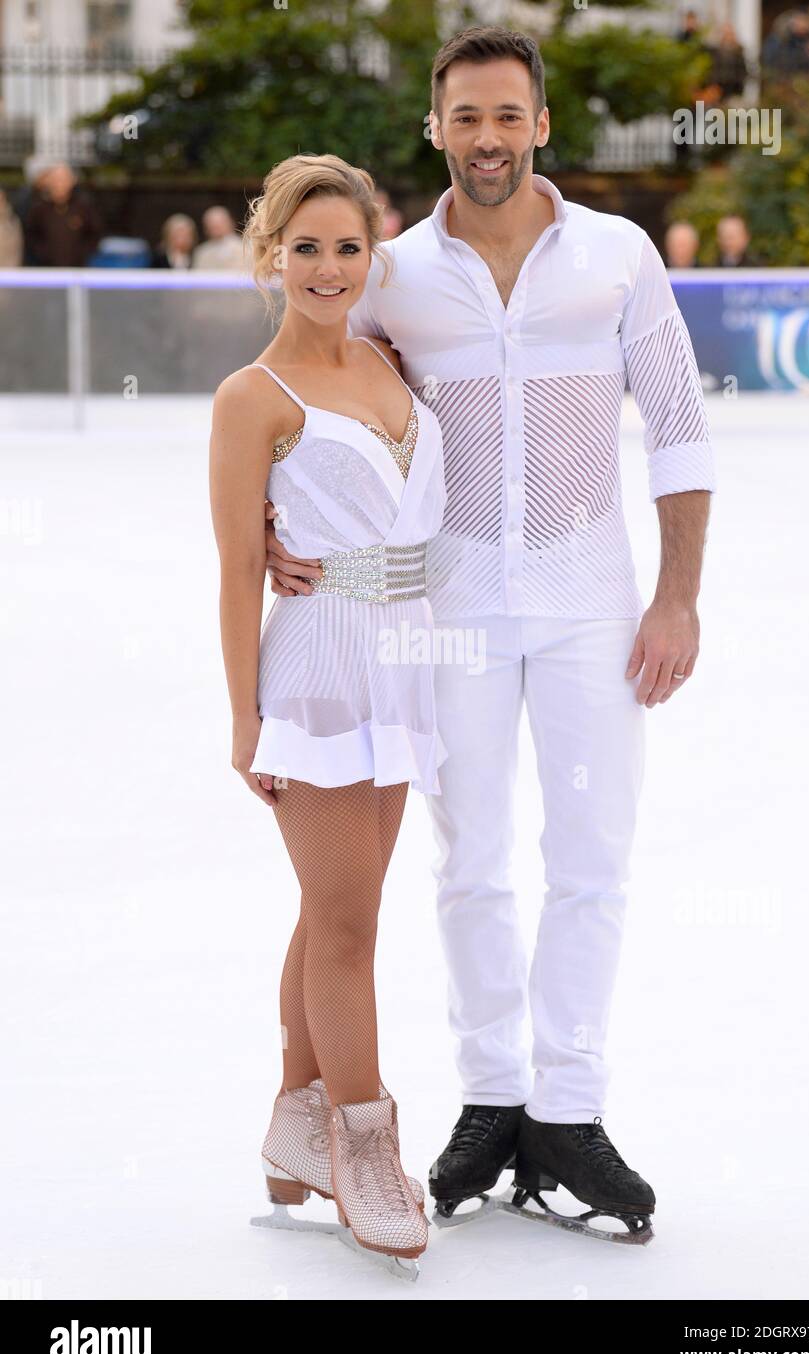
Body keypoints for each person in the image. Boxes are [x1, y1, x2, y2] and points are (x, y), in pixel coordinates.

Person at [264, 26, 716, 1238]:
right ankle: (491, 1097)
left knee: (591, 857)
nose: (487, 139)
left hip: (591, 605)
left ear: (541, 125)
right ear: (436, 129)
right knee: (466, 863)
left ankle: (567, 1108)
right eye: (465, 118)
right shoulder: (396, 271)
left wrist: (678, 595)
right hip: (443, 607)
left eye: (507, 116)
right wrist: (265, 519)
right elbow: (310, 386)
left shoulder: (617, 257)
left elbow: (676, 423)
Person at [209, 153, 447, 1267]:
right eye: (304, 246)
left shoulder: (391, 358)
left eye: (347, 246)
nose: (327, 266)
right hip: (314, 671)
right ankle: (363, 1143)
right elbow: (233, 570)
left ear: (372, 254)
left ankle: (294, 1117)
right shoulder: (253, 398)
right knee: (348, 926)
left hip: (402, 660)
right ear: (272, 255)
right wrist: (246, 721)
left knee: (332, 908)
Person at [23, 162, 102, 267]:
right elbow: (31, 235)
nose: (59, 184)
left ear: (72, 181)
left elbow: (95, 233)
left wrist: (82, 254)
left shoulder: (83, 207)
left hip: (77, 270)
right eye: (55, 180)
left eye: (63, 180)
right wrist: (43, 254)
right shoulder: (39, 209)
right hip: (47, 270)